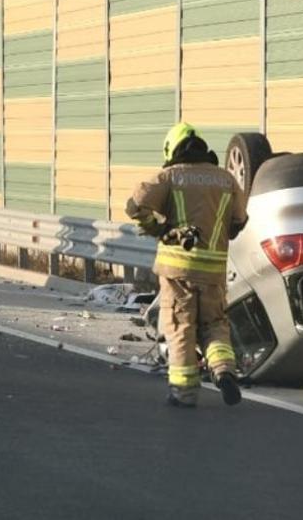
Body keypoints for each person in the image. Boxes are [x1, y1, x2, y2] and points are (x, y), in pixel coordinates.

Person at [125, 123, 248, 407]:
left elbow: (134, 206)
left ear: (172, 149)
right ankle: (224, 371)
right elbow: (239, 222)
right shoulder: (226, 179)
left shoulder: (169, 176)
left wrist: (160, 228)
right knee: (214, 325)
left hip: (177, 271)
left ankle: (183, 391)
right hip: (214, 272)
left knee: (181, 327)